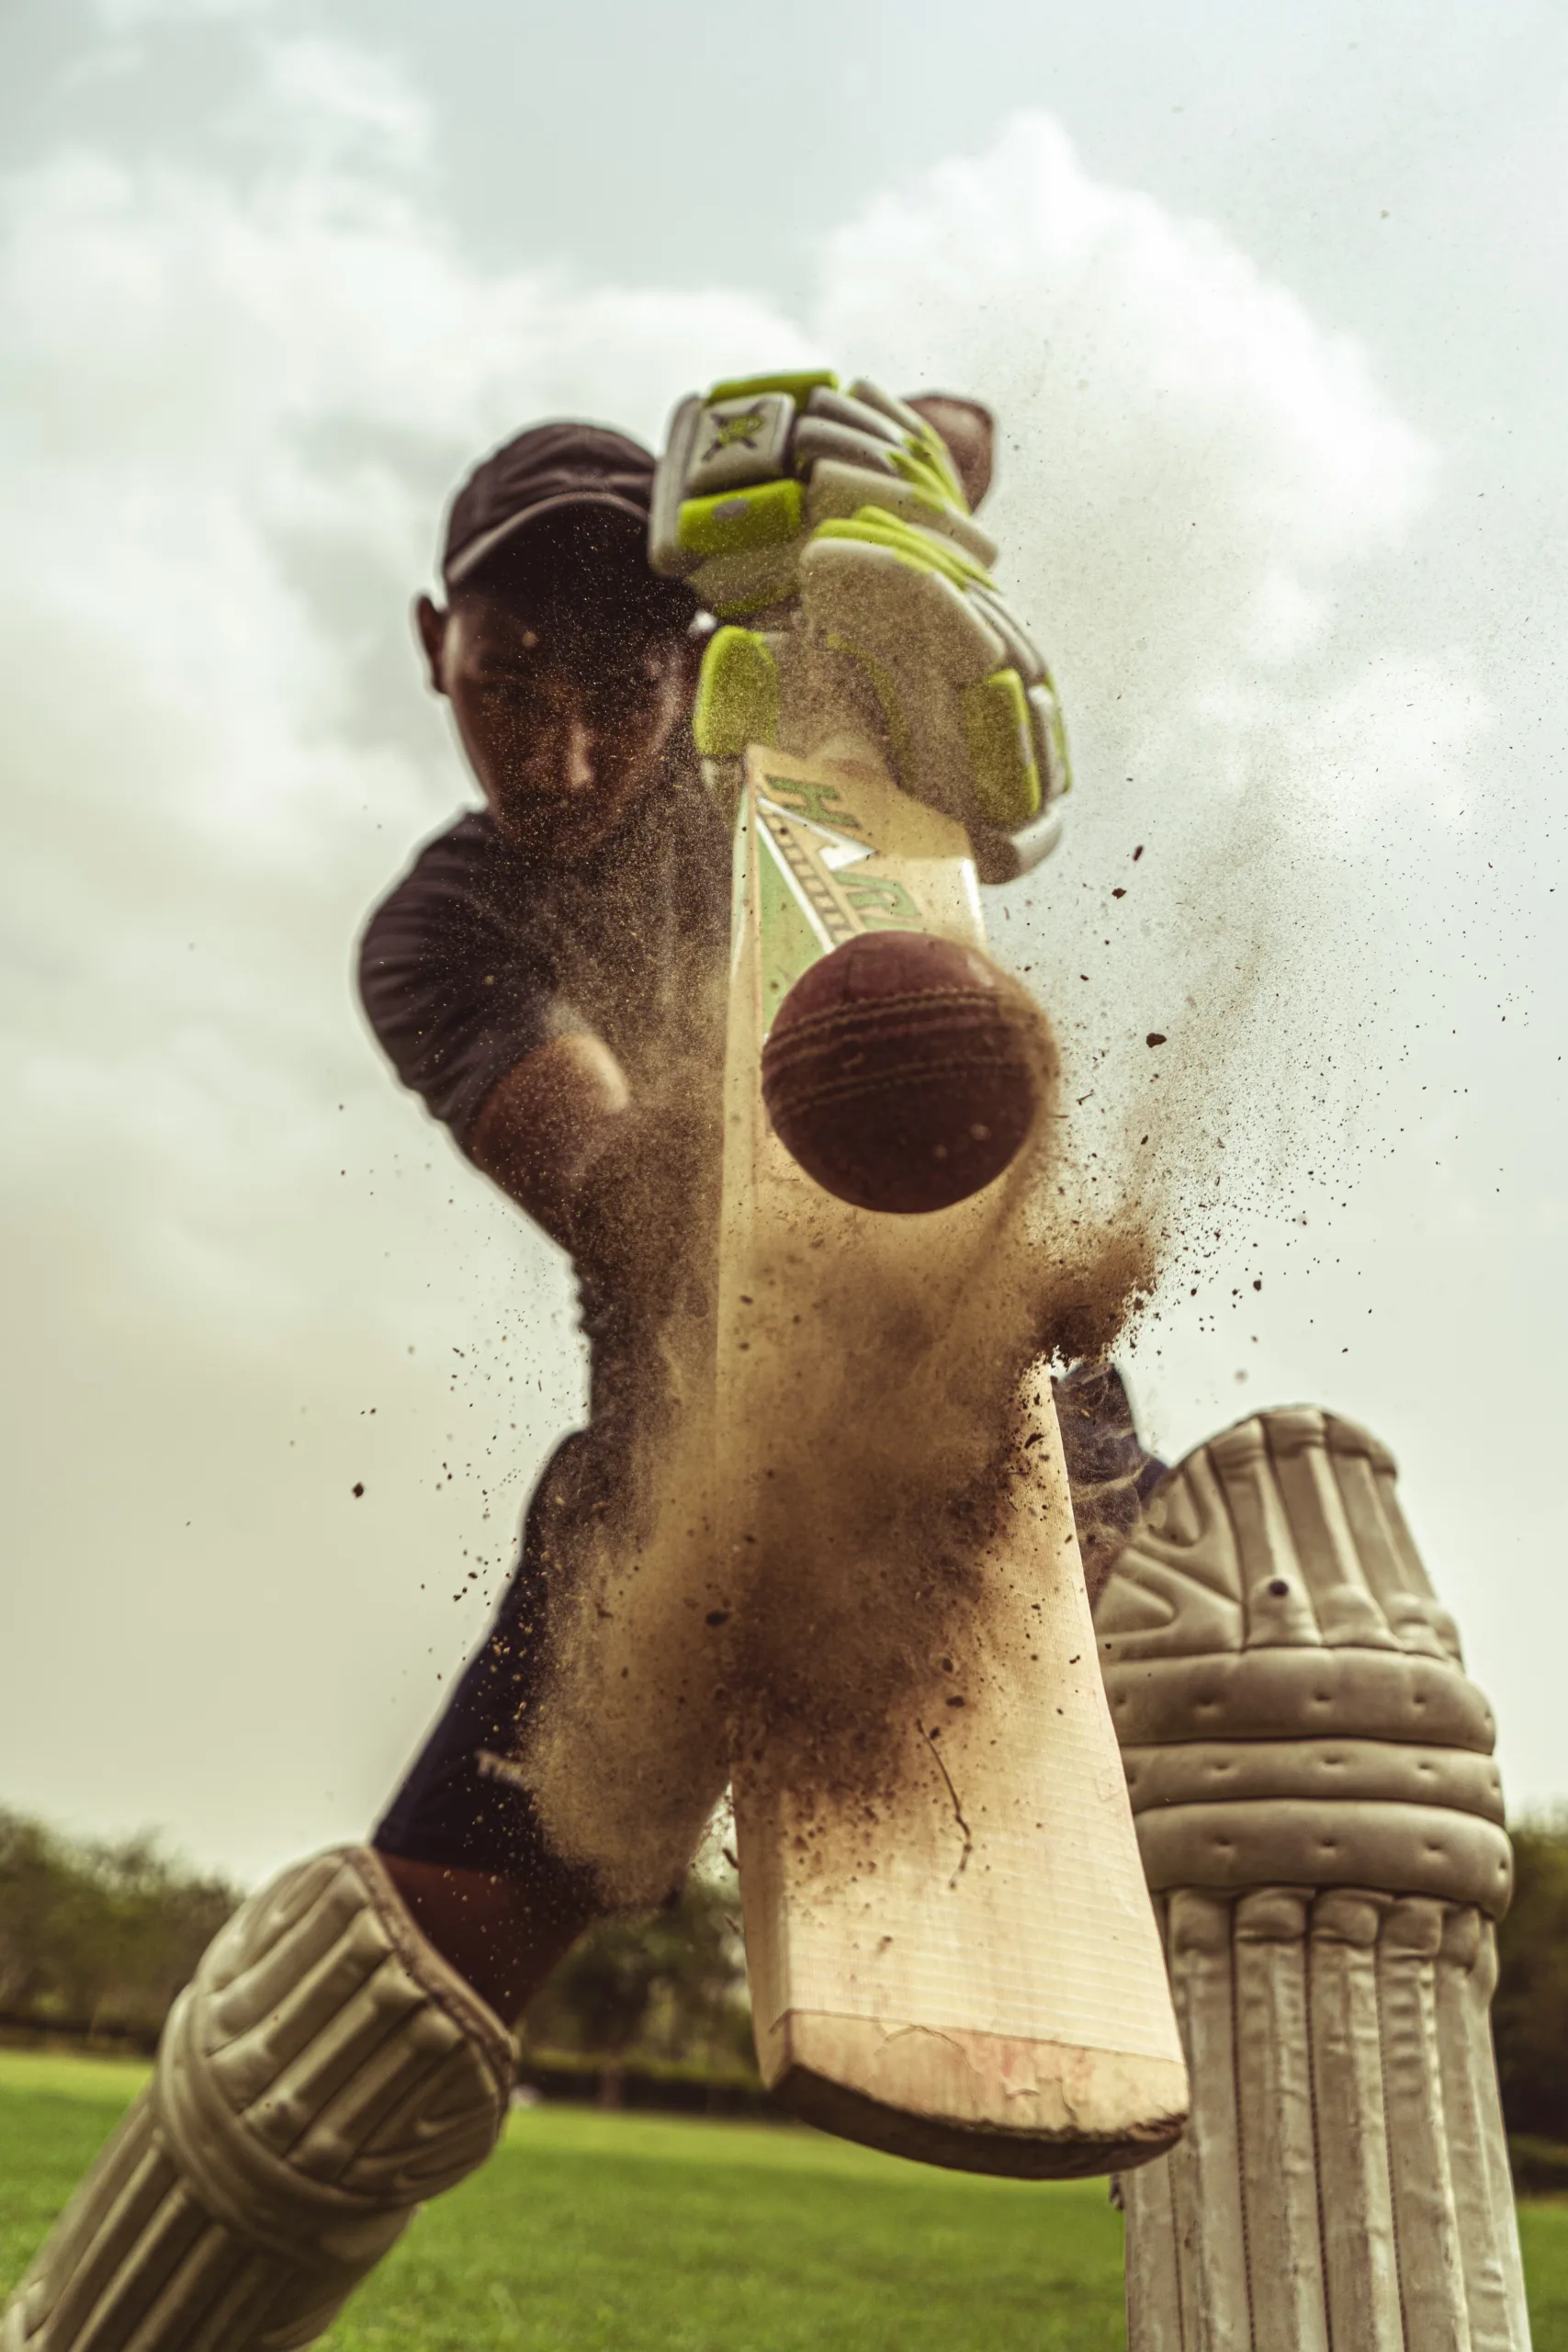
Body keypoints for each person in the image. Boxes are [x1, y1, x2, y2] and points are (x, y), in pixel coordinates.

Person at [13, 376, 1161, 2352]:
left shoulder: (803, 753)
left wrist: (871, 495)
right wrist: (824, 1097)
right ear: (427, 648)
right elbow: (616, 1187)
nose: (554, 741)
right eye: (501, 676)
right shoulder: (444, 925)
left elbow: (956, 424)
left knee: (1322, 1797)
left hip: (1018, 1438)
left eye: (617, 678)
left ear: (696, 643)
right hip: (676, 1492)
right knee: (348, 2031)